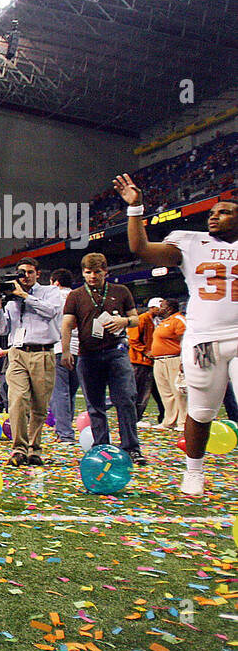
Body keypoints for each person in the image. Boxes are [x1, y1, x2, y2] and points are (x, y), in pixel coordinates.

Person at [116, 172, 238, 492]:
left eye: (224, 211)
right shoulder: (191, 242)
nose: (214, 215)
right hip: (203, 340)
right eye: (212, 212)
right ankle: (194, 470)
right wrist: (135, 209)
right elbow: (140, 248)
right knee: (201, 411)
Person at [60, 251, 144, 465]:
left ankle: (131, 448)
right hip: (88, 355)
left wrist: (123, 322)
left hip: (116, 351)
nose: (93, 276)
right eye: (88, 272)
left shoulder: (121, 291)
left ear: (105, 271)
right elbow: (67, 324)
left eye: (97, 272)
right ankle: (102, 447)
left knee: (125, 399)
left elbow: (135, 318)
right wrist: (67, 350)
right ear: (83, 273)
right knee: (94, 405)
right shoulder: (76, 295)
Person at [0, 258, 64, 466]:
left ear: (37, 274)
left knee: (39, 406)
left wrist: (23, 295)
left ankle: (34, 449)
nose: (25, 276)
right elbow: (2, 329)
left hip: (42, 352)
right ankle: (18, 449)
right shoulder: (10, 298)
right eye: (21, 273)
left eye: (29, 272)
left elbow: (51, 312)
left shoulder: (50, 292)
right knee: (16, 402)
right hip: (17, 353)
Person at [48, 269, 80, 442]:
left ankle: (64, 433)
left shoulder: (52, 296)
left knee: (59, 393)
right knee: (70, 393)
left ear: (56, 282)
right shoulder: (79, 296)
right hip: (79, 349)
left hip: (59, 347)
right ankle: (65, 429)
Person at [129, 298, 165, 427]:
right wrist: (146, 351)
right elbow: (133, 339)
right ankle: (136, 418)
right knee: (140, 391)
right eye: (160, 307)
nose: (162, 309)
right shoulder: (143, 319)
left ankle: (164, 417)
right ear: (153, 307)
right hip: (141, 362)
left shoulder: (157, 320)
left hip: (152, 362)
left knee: (159, 392)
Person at [151, 299, 186, 432]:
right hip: (159, 360)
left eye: (162, 306)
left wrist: (184, 360)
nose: (159, 309)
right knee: (166, 393)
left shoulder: (178, 320)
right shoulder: (163, 322)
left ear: (170, 308)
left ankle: (183, 422)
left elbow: (186, 340)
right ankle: (169, 421)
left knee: (179, 392)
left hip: (174, 359)